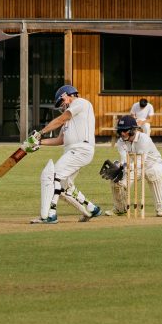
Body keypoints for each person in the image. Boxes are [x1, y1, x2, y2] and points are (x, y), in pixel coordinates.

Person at [25, 83, 101, 224]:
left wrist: (40, 133)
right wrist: (39, 143)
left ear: (67, 96)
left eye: (61, 102)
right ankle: (91, 208)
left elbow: (61, 119)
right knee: (64, 186)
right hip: (73, 151)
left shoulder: (81, 103)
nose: (61, 107)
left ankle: (50, 215)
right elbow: (60, 140)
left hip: (80, 149)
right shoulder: (71, 118)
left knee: (53, 177)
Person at [103, 114, 162, 217]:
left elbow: (140, 161)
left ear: (133, 130)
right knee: (116, 180)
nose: (122, 133)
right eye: (120, 131)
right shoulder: (121, 142)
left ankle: (161, 209)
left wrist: (126, 170)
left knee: (152, 174)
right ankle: (120, 208)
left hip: (153, 164)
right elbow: (124, 159)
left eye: (125, 130)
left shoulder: (144, 139)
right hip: (134, 166)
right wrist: (119, 167)